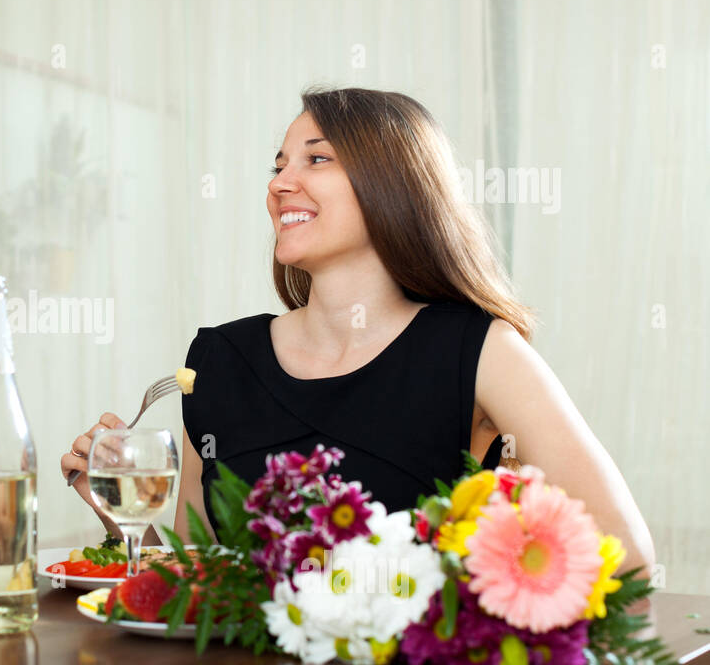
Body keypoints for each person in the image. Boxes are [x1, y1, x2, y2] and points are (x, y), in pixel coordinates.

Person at [63, 87, 655, 576]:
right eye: (279, 165)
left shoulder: (477, 351)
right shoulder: (219, 359)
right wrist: (116, 509)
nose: (279, 184)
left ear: (395, 184)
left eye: (316, 159)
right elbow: (200, 564)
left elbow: (624, 550)